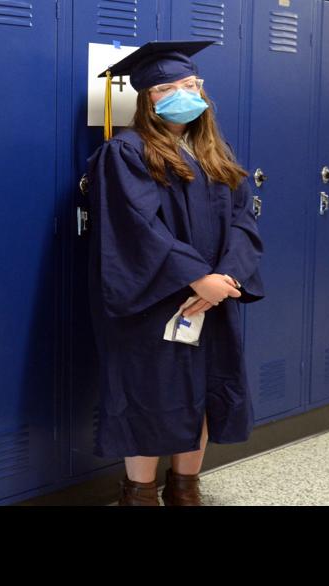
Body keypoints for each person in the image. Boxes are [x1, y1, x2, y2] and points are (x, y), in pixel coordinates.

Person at [85, 41, 264, 506]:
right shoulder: (125, 152)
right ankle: (139, 493)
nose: (181, 93)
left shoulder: (214, 153)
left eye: (189, 84)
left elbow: (245, 222)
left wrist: (227, 278)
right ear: (147, 98)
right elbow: (135, 228)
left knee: (204, 389)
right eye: (167, 87)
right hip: (154, 301)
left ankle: (186, 488)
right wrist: (196, 278)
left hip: (212, 298)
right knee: (147, 395)